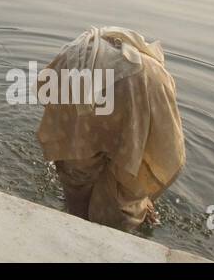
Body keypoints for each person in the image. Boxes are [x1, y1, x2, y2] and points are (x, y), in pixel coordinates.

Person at [36, 26, 185, 232]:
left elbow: (44, 91)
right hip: (143, 85)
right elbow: (166, 149)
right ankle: (126, 218)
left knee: (77, 169)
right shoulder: (156, 70)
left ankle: (76, 225)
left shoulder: (73, 52)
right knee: (130, 174)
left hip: (77, 76)